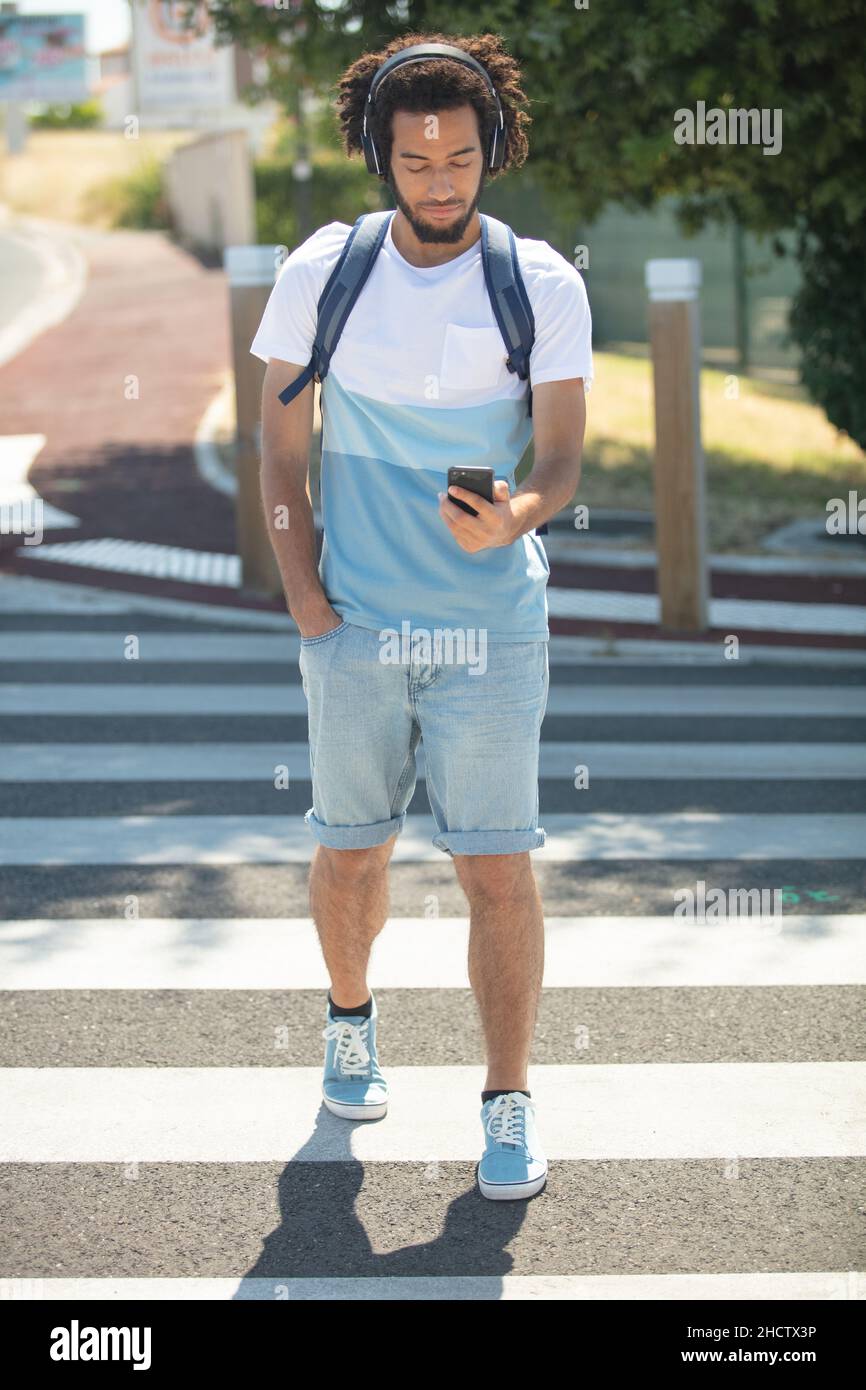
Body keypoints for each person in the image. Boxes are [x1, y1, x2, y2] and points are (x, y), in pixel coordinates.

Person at [250, 31, 592, 1201]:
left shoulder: (537, 281)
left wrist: (524, 514)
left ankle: (507, 1102)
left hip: (492, 631)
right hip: (354, 626)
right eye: (414, 162)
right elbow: (278, 450)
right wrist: (306, 602)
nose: (438, 183)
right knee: (350, 852)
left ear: (490, 149)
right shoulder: (323, 274)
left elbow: (559, 457)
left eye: (457, 159)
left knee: (497, 871)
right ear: (377, 157)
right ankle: (350, 1020)